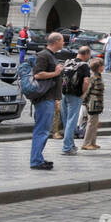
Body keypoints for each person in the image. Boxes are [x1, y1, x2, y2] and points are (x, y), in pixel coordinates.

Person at [29, 32, 65, 170]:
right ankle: (36, 161)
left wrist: (56, 98)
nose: (63, 43)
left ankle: (38, 158)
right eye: (62, 40)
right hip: (44, 99)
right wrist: (56, 73)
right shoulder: (44, 55)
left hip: (49, 98)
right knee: (42, 131)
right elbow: (38, 74)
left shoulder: (51, 56)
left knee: (43, 130)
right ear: (56, 41)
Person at [59, 45, 91, 156]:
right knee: (72, 121)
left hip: (64, 93)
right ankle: (67, 148)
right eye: (89, 55)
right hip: (75, 95)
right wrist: (83, 94)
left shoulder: (68, 62)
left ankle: (71, 145)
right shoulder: (84, 66)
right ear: (86, 54)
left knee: (66, 121)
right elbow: (86, 81)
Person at [81, 58, 105, 150]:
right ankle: (86, 143)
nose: (103, 67)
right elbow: (87, 91)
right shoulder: (93, 77)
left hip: (97, 103)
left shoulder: (98, 76)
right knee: (91, 123)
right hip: (92, 103)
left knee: (94, 123)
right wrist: (85, 102)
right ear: (99, 67)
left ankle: (93, 142)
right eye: (102, 65)